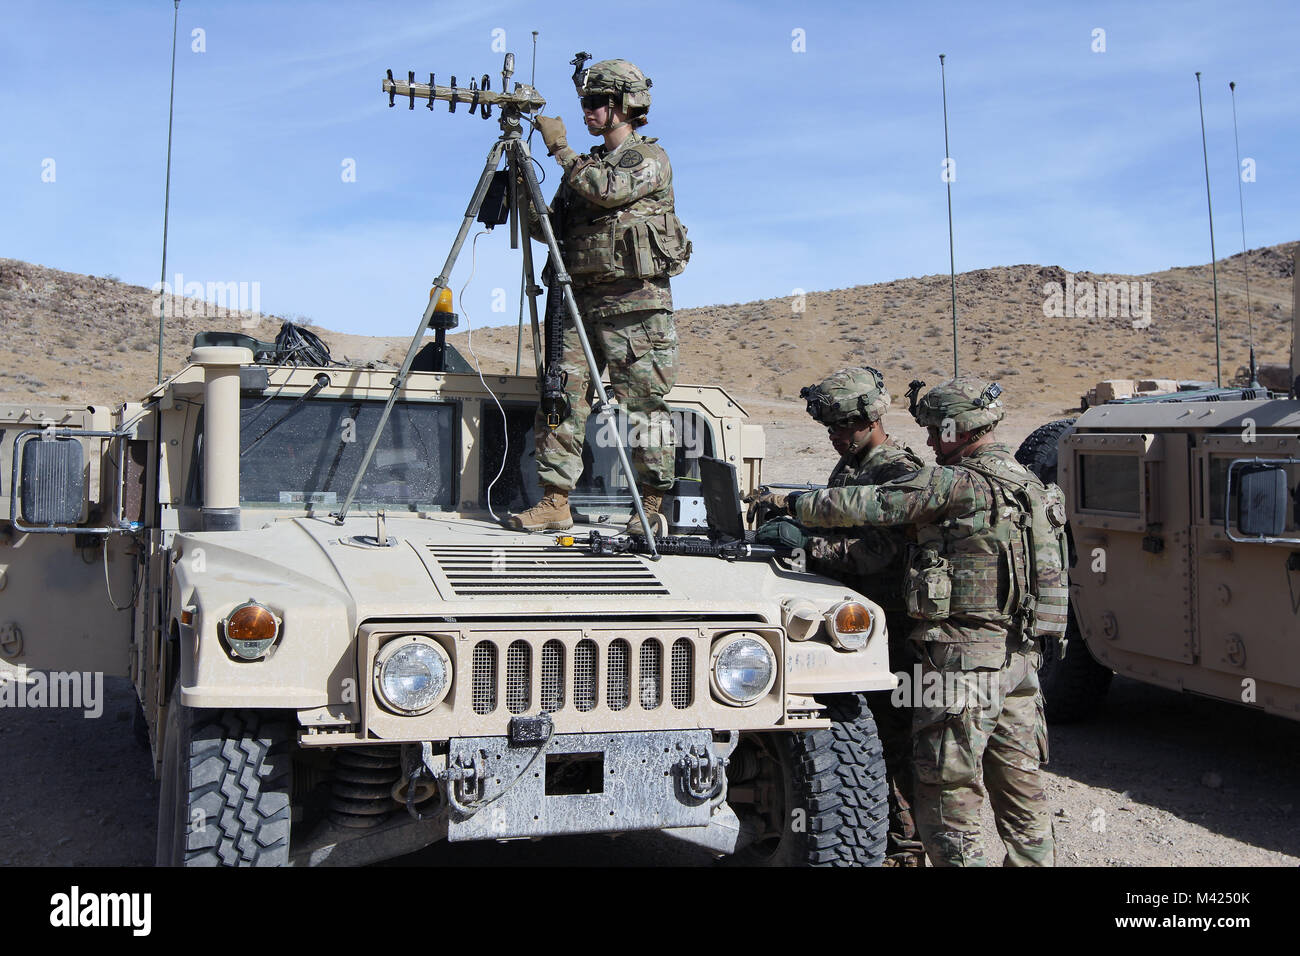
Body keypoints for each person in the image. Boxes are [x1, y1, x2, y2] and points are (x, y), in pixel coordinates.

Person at [749, 378, 1061, 867]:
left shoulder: (955, 483)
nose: (932, 444)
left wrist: (792, 506)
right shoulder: (1029, 483)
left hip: (965, 660)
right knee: (1020, 786)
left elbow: (874, 503)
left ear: (961, 428)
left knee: (945, 787)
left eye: (938, 432)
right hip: (1020, 656)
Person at [510, 58, 691, 533]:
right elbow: (551, 229)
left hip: (635, 306)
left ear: (624, 107)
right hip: (577, 304)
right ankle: (555, 500)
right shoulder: (583, 170)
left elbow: (608, 190)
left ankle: (650, 504)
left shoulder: (647, 159)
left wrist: (560, 149)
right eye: (585, 102)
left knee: (643, 405)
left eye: (596, 103)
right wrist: (522, 182)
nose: (587, 111)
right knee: (561, 398)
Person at [753, 367, 925, 866]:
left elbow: (881, 552)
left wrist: (809, 548)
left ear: (870, 419)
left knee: (894, 741)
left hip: (891, 623)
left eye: (842, 427)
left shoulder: (896, 470)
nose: (835, 437)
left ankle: (907, 848)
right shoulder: (853, 464)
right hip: (852, 623)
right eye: (830, 428)